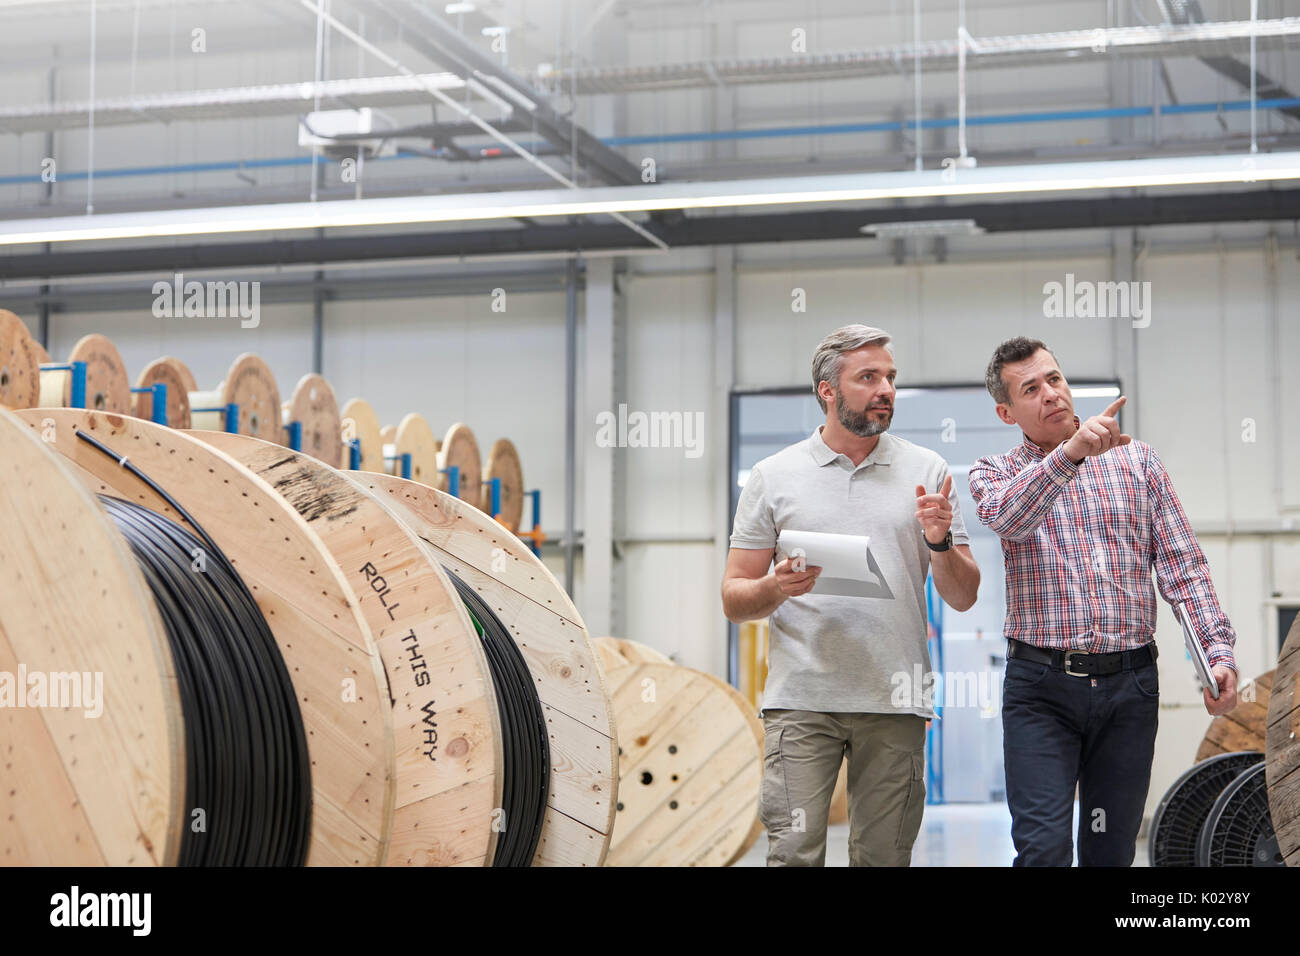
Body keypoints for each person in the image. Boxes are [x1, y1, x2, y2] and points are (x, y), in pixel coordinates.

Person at [968, 336, 1238, 867]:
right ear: (1007, 411)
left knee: (1110, 851)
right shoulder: (993, 473)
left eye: (1054, 379)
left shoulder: (1138, 463)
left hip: (1129, 688)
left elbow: (1184, 566)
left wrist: (1216, 655)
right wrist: (1071, 454)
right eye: (1030, 389)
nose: (1050, 394)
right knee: (1044, 850)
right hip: (1040, 690)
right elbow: (1008, 519)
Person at [721, 324, 980, 866]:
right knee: (792, 853)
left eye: (890, 377)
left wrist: (939, 541)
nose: (885, 388)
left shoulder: (926, 471)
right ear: (828, 391)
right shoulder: (773, 477)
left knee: (883, 858)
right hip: (801, 699)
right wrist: (774, 586)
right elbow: (734, 597)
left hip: (895, 699)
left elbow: (963, 595)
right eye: (868, 377)